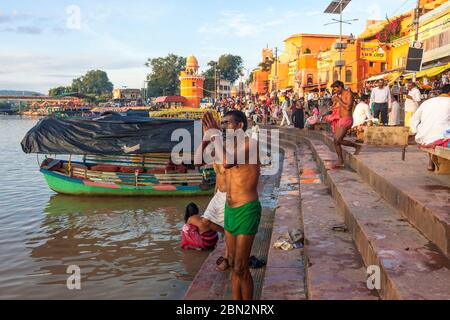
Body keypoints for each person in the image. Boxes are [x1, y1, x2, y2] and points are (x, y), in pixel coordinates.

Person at [202, 110, 261, 301]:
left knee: (241, 267)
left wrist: (215, 134)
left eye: (227, 123)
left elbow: (227, 163)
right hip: (230, 209)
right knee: (233, 263)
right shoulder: (225, 146)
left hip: (247, 209)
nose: (224, 127)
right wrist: (207, 136)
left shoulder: (251, 144)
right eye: (222, 123)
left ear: (240, 126)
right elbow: (197, 159)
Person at [410, 84, 450, 171]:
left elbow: (414, 119)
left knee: (432, 133)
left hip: (424, 137)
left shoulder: (428, 102)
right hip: (441, 137)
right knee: (441, 132)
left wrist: (415, 131)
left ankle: (430, 162)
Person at [331, 80, 362, 166]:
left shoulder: (349, 94)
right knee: (335, 141)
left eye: (335, 89)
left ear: (340, 87)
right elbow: (336, 106)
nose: (335, 91)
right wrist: (334, 101)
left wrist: (338, 99)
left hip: (347, 119)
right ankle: (340, 161)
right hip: (341, 119)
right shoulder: (339, 95)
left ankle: (356, 146)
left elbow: (348, 107)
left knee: (338, 140)